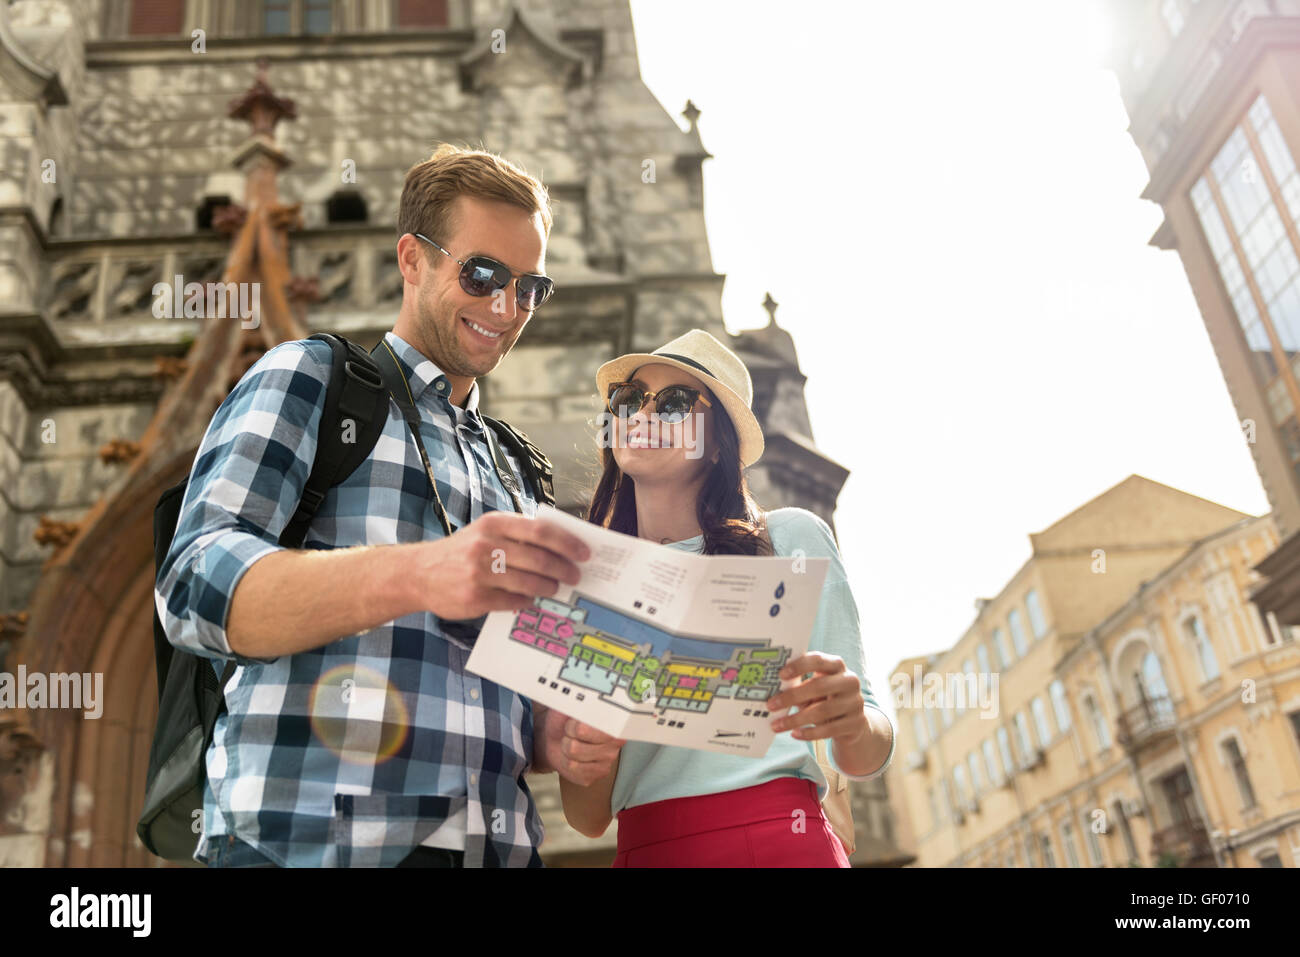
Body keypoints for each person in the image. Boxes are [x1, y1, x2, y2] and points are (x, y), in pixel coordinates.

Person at [155, 144, 621, 868]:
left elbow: (511, 691)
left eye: (530, 287)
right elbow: (192, 586)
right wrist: (420, 573)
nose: (506, 307)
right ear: (412, 260)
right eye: (483, 274)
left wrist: (551, 737)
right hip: (303, 847)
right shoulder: (311, 376)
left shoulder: (520, 468)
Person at [557, 329, 896, 866]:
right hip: (647, 850)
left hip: (782, 840)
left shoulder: (789, 539)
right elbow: (586, 816)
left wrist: (851, 721)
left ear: (717, 443)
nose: (642, 414)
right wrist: (582, 755)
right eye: (627, 399)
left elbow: (867, 750)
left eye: (672, 403)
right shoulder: (587, 582)